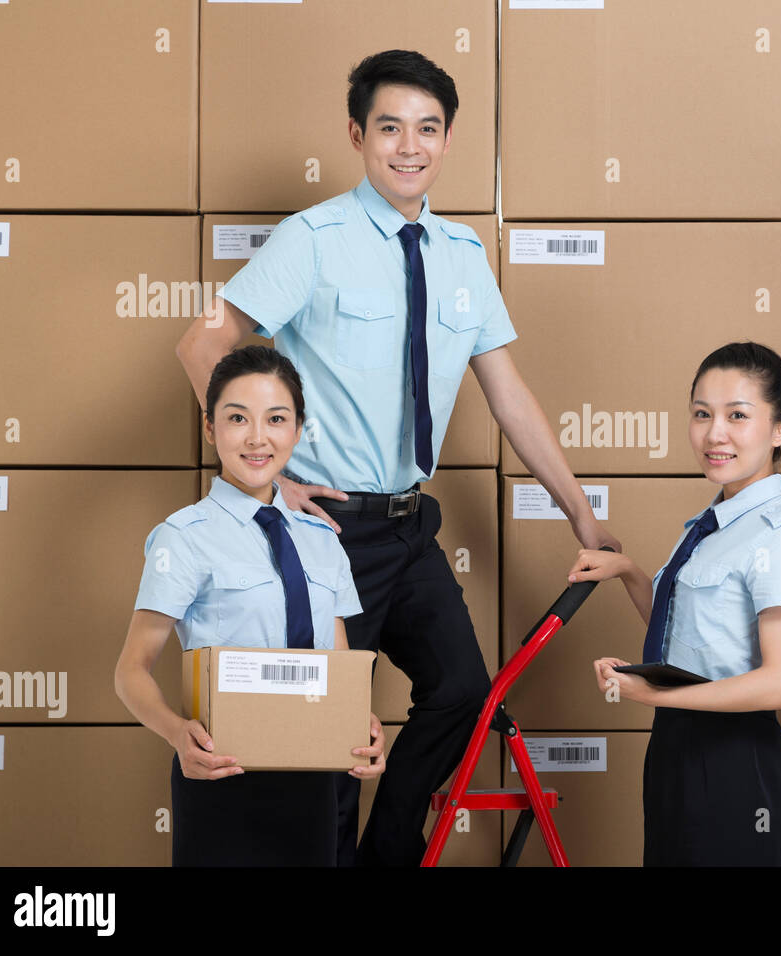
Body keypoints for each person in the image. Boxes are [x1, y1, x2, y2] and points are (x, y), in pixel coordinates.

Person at [175, 49, 618, 866]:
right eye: (389, 128)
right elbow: (204, 343)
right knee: (330, 731)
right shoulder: (313, 240)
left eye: (427, 128)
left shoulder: (461, 255)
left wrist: (584, 515)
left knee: (460, 691)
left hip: (411, 526)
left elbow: (509, 395)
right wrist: (275, 484)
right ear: (357, 135)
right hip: (327, 529)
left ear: (448, 141)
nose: (408, 146)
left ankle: (386, 855)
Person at [115, 346, 386, 866]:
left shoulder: (323, 540)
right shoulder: (184, 537)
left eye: (276, 419)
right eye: (237, 418)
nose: (257, 437)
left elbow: (339, 668)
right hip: (220, 773)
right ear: (211, 429)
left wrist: (363, 725)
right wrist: (178, 735)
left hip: (312, 780)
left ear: (298, 430)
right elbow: (130, 671)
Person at [570, 342, 781, 866]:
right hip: (674, 751)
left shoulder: (779, 538)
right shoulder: (710, 527)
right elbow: (687, 636)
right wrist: (630, 572)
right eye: (702, 414)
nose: (715, 434)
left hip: (734, 761)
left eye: (737, 416)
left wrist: (651, 695)